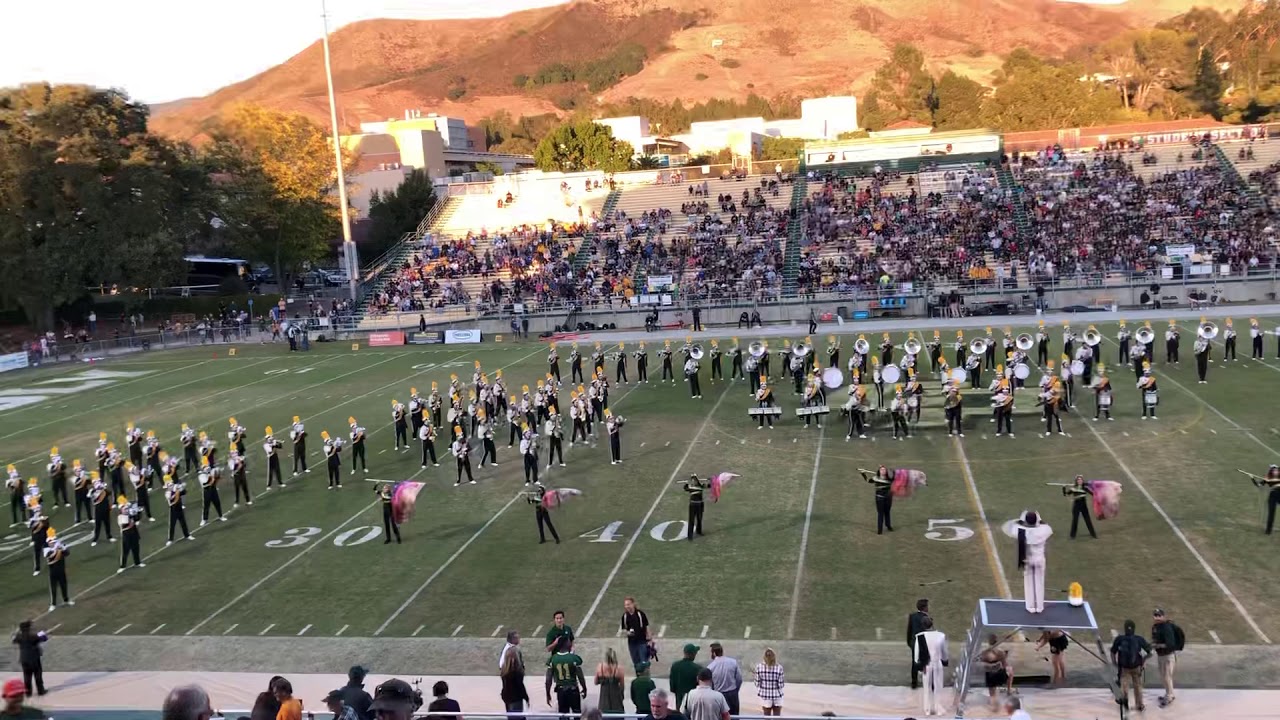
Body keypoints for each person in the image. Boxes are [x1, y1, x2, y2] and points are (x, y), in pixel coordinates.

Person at [1110, 619, 1153, 712]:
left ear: (1125, 628)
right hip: (1137, 667)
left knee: (1124, 687)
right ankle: (1139, 705)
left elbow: (1112, 651)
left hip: (1124, 668)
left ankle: (1125, 705)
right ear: (1134, 628)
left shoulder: (1119, 639)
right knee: (1138, 687)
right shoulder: (1139, 639)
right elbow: (1150, 652)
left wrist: (1114, 663)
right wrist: (1144, 660)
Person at [1016, 511, 1052, 613]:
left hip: (1028, 559)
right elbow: (1045, 526)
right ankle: (1039, 607)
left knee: (1028, 583)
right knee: (1040, 582)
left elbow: (1020, 545)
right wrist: (1039, 520)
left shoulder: (1022, 531)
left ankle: (1030, 607)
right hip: (1040, 559)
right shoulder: (1044, 530)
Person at [913, 616, 949, 717]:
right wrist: (945, 660)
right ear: (932, 624)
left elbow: (917, 653)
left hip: (926, 665)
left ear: (923, 625)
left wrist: (919, 664)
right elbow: (944, 651)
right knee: (938, 686)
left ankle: (927, 710)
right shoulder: (941, 635)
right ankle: (938, 709)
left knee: (927, 688)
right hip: (937, 663)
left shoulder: (919, 636)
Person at [544, 638, 587, 717]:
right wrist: (584, 687)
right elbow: (580, 676)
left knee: (563, 715)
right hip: (573, 689)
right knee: (577, 714)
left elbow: (548, 679)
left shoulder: (553, 659)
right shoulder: (573, 658)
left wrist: (547, 693)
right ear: (566, 644)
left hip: (561, 690)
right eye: (569, 642)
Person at [1151, 608, 1182, 707]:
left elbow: (1170, 644)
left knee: (1167, 677)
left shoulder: (1166, 627)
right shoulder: (1155, 627)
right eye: (1155, 615)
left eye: (1159, 615)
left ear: (1163, 616)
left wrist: (1158, 646)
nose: (1157, 617)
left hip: (1168, 656)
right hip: (1160, 656)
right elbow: (1156, 639)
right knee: (1163, 677)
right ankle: (1169, 694)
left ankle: (1169, 696)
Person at [10, 623, 47, 697]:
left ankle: (28, 692)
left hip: (24, 659)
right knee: (37, 675)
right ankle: (40, 691)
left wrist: (17, 632)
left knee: (27, 676)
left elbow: (13, 639)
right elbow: (44, 638)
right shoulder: (33, 636)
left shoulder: (19, 637)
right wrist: (42, 633)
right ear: (28, 628)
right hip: (34, 658)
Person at [706, 642, 742, 715]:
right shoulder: (733, 662)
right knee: (734, 716)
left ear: (714, 653)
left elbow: (710, 684)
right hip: (732, 693)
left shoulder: (710, 667)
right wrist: (735, 689)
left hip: (718, 694)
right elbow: (739, 679)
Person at [979, 635, 1010, 711]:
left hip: (991, 674)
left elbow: (981, 663)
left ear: (989, 641)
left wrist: (991, 665)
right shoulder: (1000, 652)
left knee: (992, 692)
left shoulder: (985, 652)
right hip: (998, 673)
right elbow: (1004, 664)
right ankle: (995, 704)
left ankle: (994, 706)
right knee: (994, 690)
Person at [501, 640, 529, 720]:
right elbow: (520, 686)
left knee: (511, 716)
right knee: (517, 717)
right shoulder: (516, 672)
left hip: (507, 697)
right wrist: (526, 697)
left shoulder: (504, 670)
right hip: (515, 698)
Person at [668, 644, 702, 711]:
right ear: (693, 654)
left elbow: (672, 682)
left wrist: (675, 691)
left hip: (679, 695)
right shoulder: (697, 668)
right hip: (692, 697)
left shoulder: (675, 665)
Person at [752, 648, 785, 716]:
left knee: (766, 716)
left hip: (765, 697)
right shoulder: (779, 668)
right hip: (777, 696)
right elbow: (781, 685)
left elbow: (757, 683)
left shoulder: (759, 667)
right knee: (777, 716)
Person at [621, 597, 651, 668]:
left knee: (644, 662)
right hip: (632, 643)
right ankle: (639, 677)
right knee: (636, 663)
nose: (627, 606)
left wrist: (649, 638)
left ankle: (645, 677)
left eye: (628, 604)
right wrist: (628, 633)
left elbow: (646, 626)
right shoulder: (625, 616)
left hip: (642, 641)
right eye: (626, 605)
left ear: (633, 604)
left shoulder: (640, 614)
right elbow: (624, 629)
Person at [1064, 475, 1096, 540]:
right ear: (1076, 481)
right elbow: (1065, 494)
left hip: (1084, 506)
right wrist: (1063, 488)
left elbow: (1093, 494)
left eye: (1081, 479)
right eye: (1078, 480)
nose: (1080, 481)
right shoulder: (1073, 488)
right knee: (1075, 520)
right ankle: (1072, 536)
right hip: (1076, 506)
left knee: (1088, 520)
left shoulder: (1085, 488)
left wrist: (1095, 491)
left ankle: (1093, 534)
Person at [594, 648, 625, 714]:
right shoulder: (619, 668)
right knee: (617, 715)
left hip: (604, 698)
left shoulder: (600, 667)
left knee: (604, 714)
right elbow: (622, 685)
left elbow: (595, 682)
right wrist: (622, 696)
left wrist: (602, 680)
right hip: (616, 698)